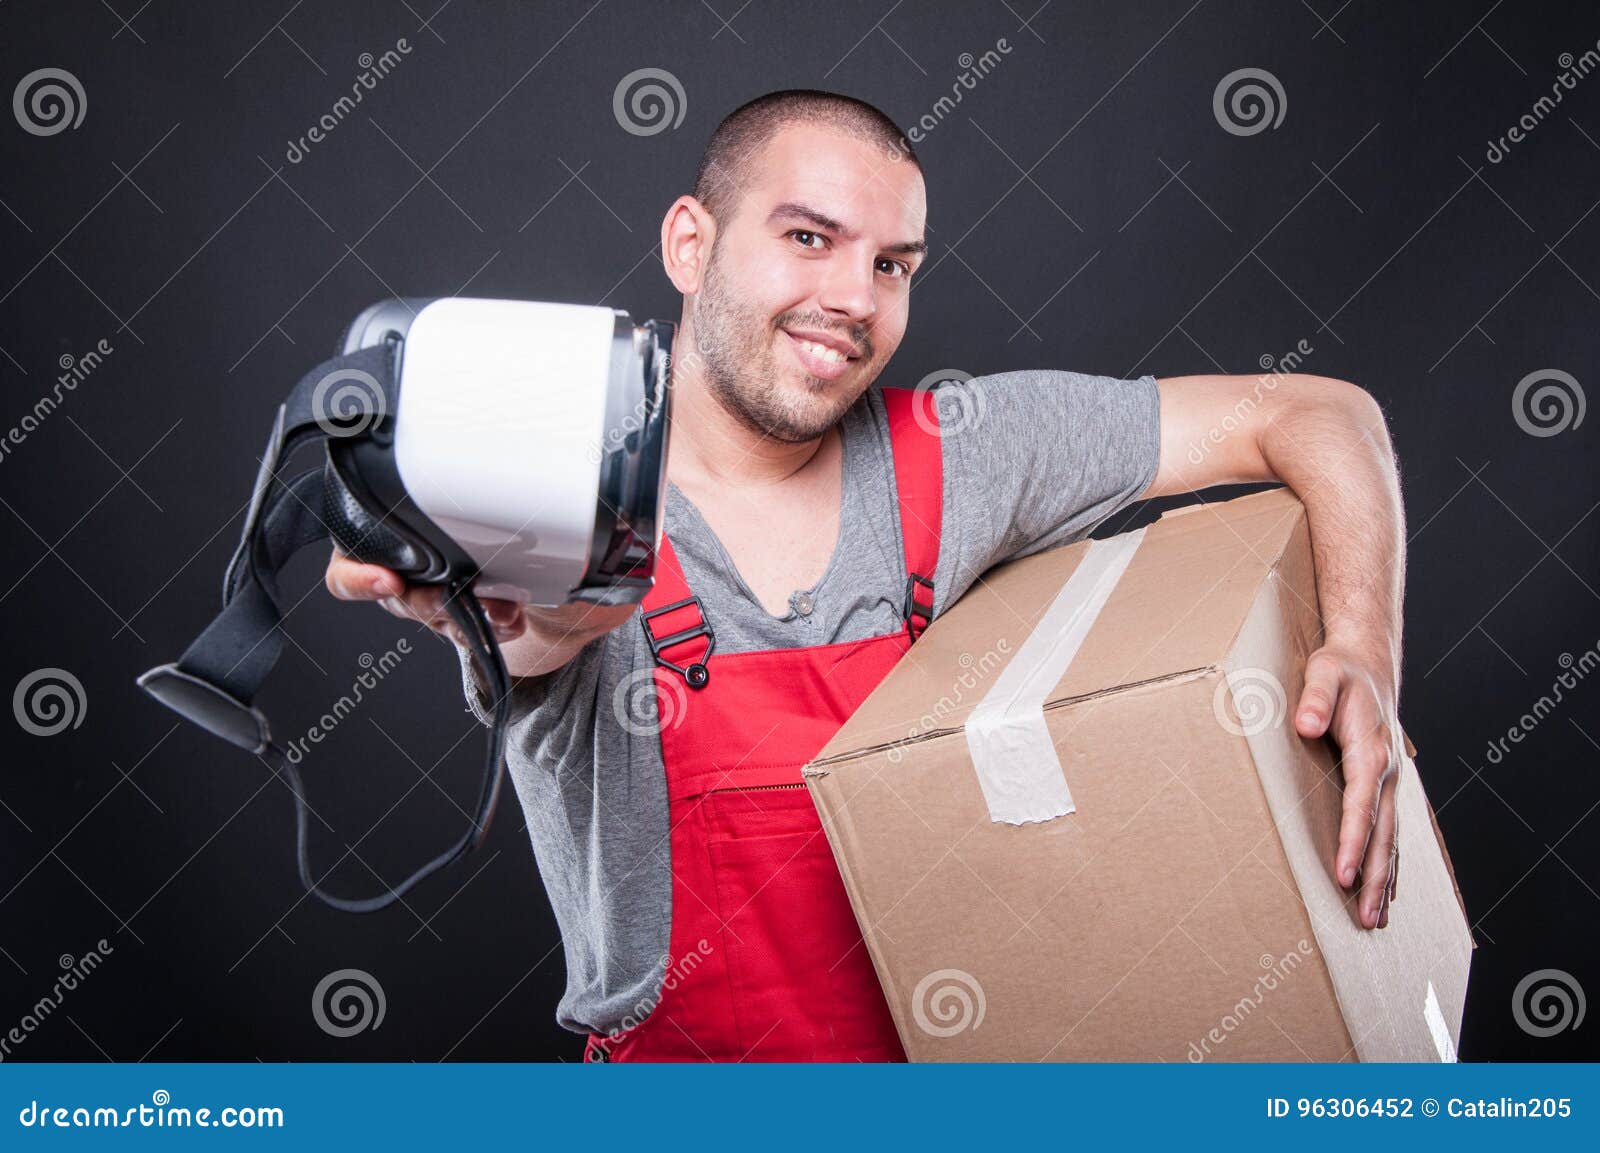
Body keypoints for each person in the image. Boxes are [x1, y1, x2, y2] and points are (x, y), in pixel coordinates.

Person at [324, 90, 1406, 1061]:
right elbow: (540, 634)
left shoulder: (968, 449)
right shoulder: (571, 497)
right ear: (690, 244)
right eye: (809, 237)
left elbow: (1317, 414)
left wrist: (1361, 644)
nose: (855, 297)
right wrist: (523, 602)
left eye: (891, 264)